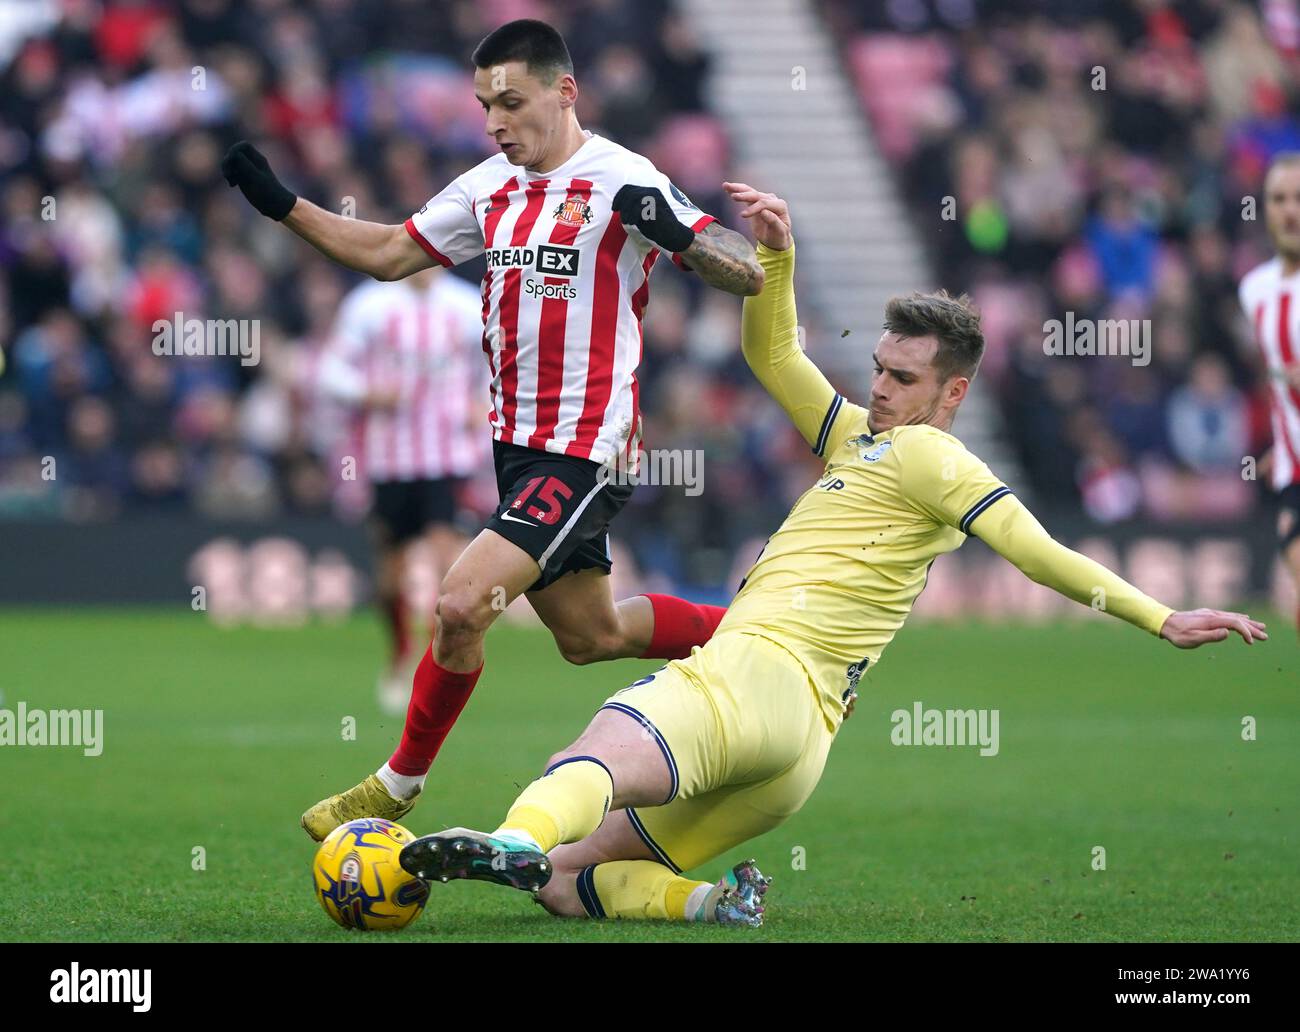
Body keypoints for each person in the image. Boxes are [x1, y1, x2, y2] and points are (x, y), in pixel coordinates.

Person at [395, 185, 1268, 927]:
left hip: (753, 674)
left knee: (581, 766)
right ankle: (705, 906)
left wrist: (1158, 615)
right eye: (881, 368)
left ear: (953, 392)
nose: (880, 387)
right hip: (797, 752)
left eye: (903, 379)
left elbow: (1035, 551)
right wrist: (777, 259)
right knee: (565, 885)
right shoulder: (862, 439)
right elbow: (772, 354)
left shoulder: (935, 457)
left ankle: (512, 838)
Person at [220, 19, 764, 839]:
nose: (495, 122)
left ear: (564, 92)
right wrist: (281, 204)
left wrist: (678, 227)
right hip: (517, 451)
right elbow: (385, 253)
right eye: (485, 106)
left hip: (588, 447)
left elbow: (743, 268)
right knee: (593, 634)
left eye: (511, 102)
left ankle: (394, 786)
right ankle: (777, 640)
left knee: (462, 602)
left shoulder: (623, 178)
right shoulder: (487, 188)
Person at [316, 265, 488, 713]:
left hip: (446, 456)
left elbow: (498, 364)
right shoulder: (369, 306)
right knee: (390, 572)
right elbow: (331, 370)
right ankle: (399, 653)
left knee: (444, 558)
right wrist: (367, 392)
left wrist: (483, 404)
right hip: (389, 459)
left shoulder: (467, 305)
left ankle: (435, 664)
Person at [1238, 152, 1300, 635]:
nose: (1289, 210)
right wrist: (1279, 447)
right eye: (1279, 199)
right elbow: (1280, 385)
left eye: (1299, 199)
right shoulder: (1254, 289)